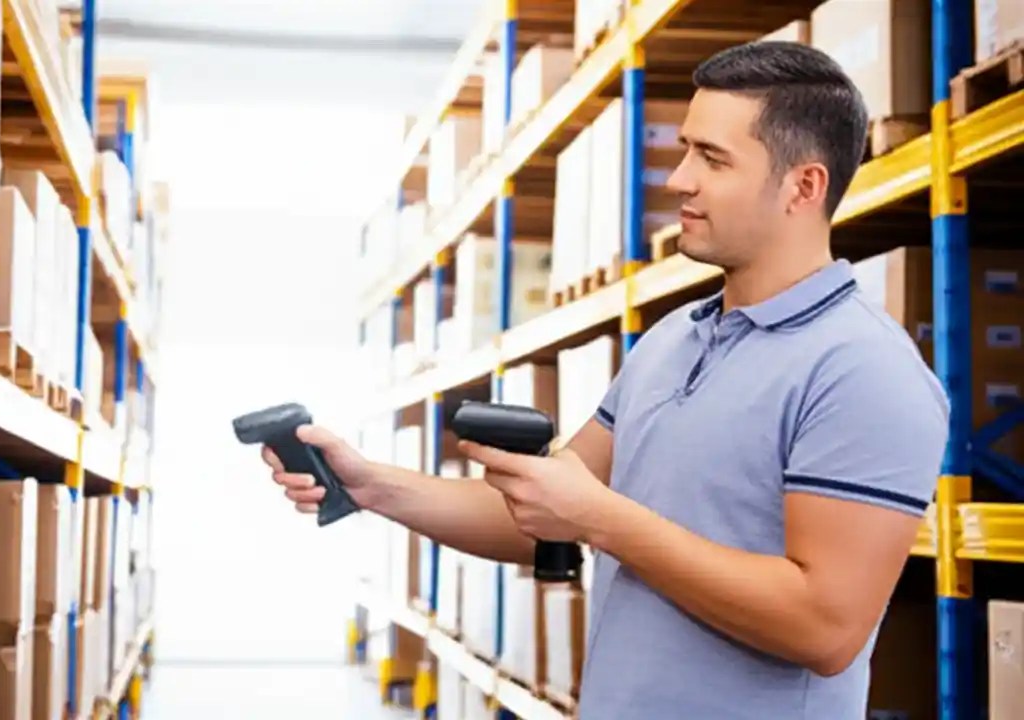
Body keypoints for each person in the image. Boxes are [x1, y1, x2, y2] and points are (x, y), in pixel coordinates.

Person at [259, 41, 949, 719]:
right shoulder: (673, 340)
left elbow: (824, 627)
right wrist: (368, 483)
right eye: (685, 149)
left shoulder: (865, 372)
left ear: (805, 185)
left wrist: (601, 519)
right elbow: (540, 515)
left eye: (712, 159)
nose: (678, 179)